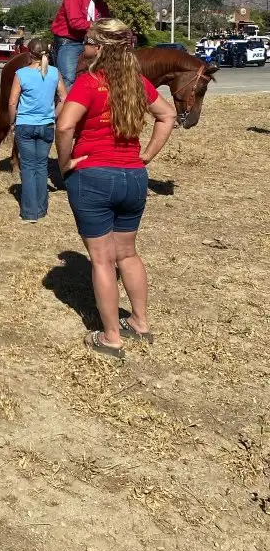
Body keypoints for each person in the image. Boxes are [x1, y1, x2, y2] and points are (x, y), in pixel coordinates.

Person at [55, 19, 176, 358]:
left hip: (94, 176)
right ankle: (139, 322)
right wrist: (146, 156)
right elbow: (167, 116)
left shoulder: (89, 82)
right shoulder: (139, 83)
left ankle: (111, 337)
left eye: (88, 42)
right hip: (133, 177)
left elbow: (65, 126)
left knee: (103, 261)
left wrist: (65, 164)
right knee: (128, 254)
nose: (84, 48)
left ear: (100, 47)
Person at [8, 38, 68, 222]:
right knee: (41, 166)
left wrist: (12, 122)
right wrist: (54, 115)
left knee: (27, 167)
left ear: (29, 53)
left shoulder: (21, 74)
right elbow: (64, 98)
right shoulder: (54, 73)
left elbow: (12, 102)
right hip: (47, 125)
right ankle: (41, 209)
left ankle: (29, 212)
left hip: (25, 124)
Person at [51, 0, 121, 87]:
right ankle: (65, 103)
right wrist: (98, 25)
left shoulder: (102, 5)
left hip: (90, 42)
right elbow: (75, 22)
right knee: (69, 77)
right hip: (69, 42)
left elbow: (106, 22)